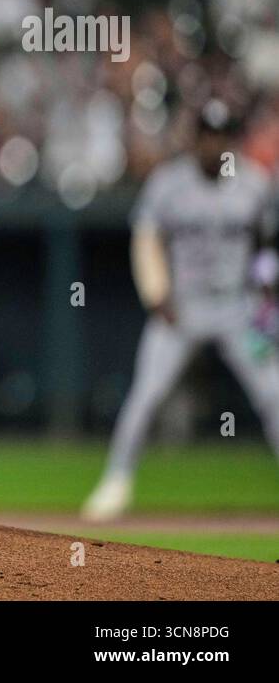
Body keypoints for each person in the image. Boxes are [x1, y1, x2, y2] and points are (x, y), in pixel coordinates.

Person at [82, 100, 279, 520]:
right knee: (147, 394)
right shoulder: (169, 183)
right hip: (182, 307)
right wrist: (157, 295)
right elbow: (147, 239)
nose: (213, 144)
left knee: (274, 396)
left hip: (236, 308)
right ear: (194, 139)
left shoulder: (253, 183)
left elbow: (265, 249)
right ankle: (116, 481)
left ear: (231, 140)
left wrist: (264, 305)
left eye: (221, 135)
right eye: (206, 136)